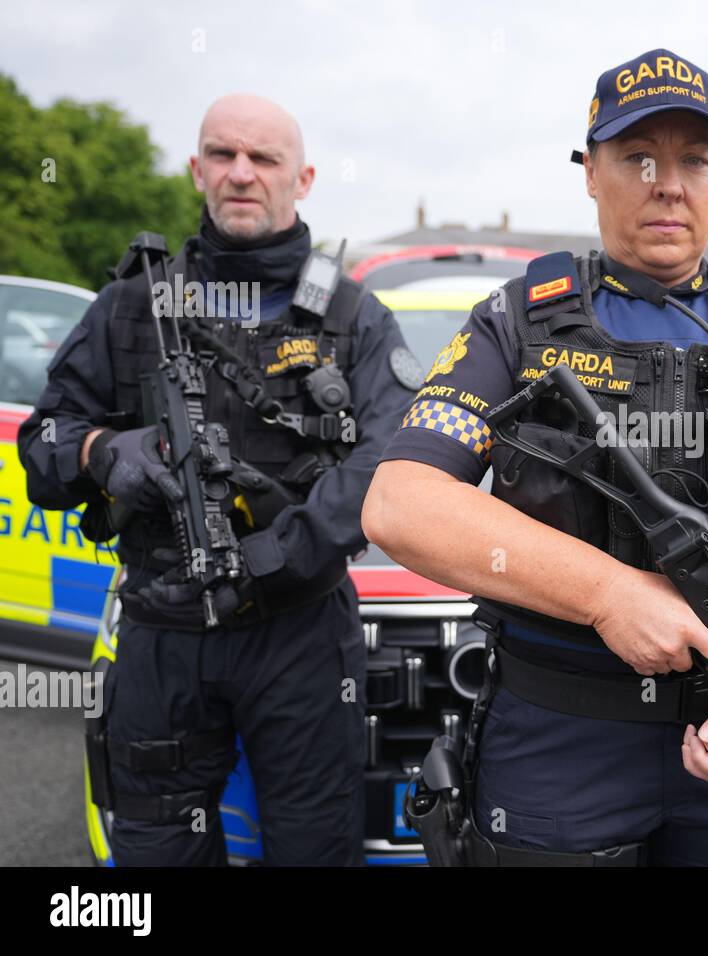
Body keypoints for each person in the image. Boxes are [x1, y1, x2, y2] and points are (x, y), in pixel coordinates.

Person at [364, 49, 708, 866]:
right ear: (591, 172)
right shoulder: (517, 322)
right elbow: (399, 502)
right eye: (639, 157)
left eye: (694, 158)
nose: (670, 183)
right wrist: (609, 595)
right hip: (559, 734)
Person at [18, 93, 420, 865]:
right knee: (155, 853)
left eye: (262, 158)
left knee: (315, 850)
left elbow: (395, 460)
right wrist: (104, 452)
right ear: (197, 169)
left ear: (300, 179)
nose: (242, 174)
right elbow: (44, 442)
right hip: (161, 627)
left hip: (299, 632)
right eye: (223, 155)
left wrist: (280, 556)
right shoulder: (129, 307)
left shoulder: (354, 315)